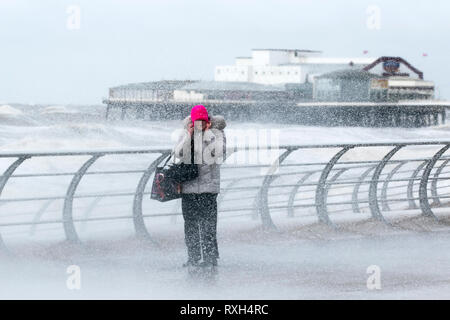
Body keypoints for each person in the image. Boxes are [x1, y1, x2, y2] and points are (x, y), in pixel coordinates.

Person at [174, 105, 226, 268]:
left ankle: (210, 258)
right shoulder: (185, 133)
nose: (199, 125)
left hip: (208, 189)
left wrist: (207, 135)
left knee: (208, 225)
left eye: (203, 121)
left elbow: (217, 155)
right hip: (188, 188)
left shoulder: (217, 133)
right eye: (197, 121)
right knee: (190, 225)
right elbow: (178, 154)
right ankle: (193, 257)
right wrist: (189, 135)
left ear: (208, 121)